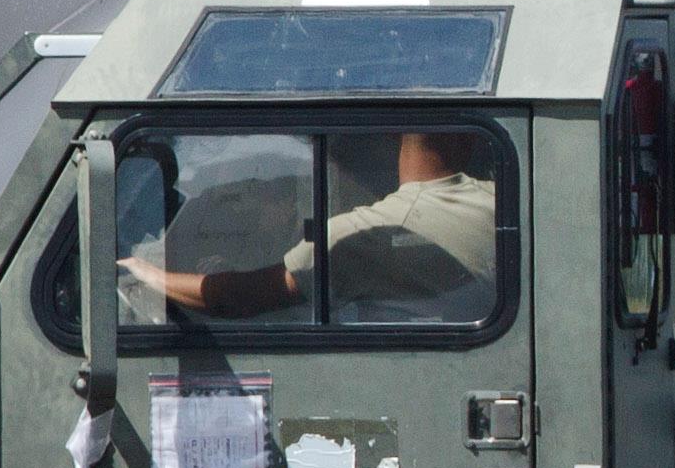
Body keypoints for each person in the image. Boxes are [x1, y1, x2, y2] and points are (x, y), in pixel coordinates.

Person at [135, 131, 500, 327]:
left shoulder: (367, 235)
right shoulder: (498, 201)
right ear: (468, 139)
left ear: (391, 136)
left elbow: (237, 297)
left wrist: (147, 274)